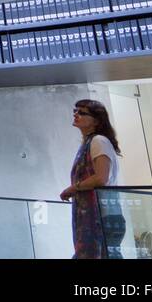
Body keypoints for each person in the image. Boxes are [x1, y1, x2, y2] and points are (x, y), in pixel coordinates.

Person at [62, 99, 124, 259]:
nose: (76, 115)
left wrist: (73, 188)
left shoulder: (98, 141)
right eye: (75, 111)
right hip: (96, 215)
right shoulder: (90, 142)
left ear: (96, 121)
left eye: (82, 113)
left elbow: (101, 178)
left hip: (102, 216)